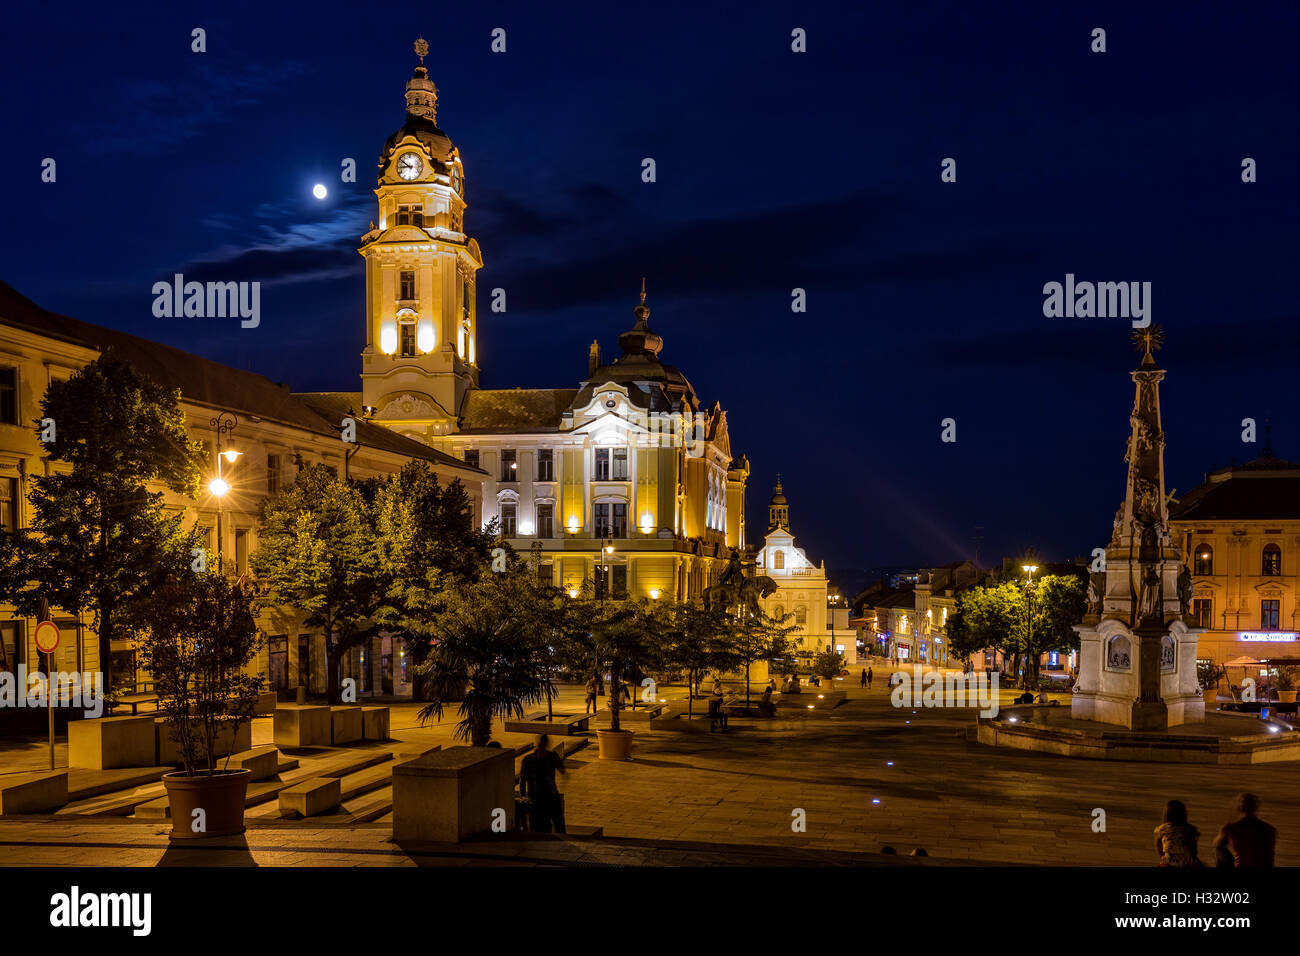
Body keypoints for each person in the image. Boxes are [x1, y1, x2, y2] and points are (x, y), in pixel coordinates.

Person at [519, 734, 566, 833]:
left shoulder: (551, 757)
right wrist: (523, 797)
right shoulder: (529, 760)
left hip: (549, 795)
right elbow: (523, 780)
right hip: (537, 797)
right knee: (540, 825)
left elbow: (562, 769)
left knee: (556, 823)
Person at [1214, 793, 1276, 867]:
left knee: (1217, 849)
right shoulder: (1269, 829)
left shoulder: (1230, 828)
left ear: (1240, 808)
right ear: (1256, 808)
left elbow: (1217, 844)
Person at [1153, 799, 1203, 866]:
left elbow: (1159, 848)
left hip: (1170, 862)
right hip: (1188, 863)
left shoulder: (1162, 830)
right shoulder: (1190, 830)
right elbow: (1193, 850)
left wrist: (1165, 858)